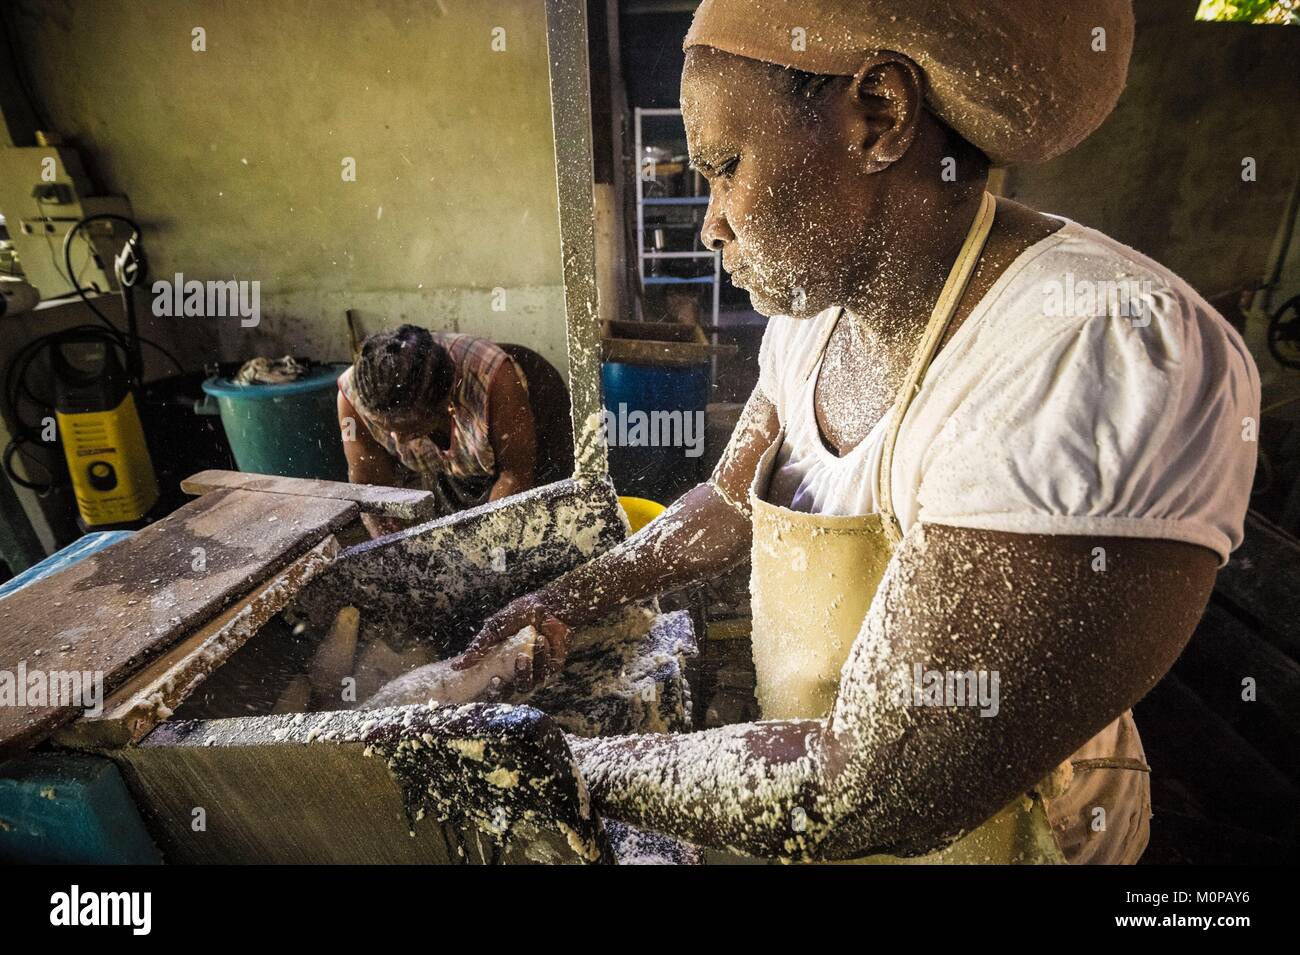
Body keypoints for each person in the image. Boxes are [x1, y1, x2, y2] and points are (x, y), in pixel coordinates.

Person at [459, 0, 1260, 863]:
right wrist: (562, 596)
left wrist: (531, 759)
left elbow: (871, 785)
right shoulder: (814, 321)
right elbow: (726, 503)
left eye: (726, 166)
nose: (710, 221)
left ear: (879, 114)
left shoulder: (1090, 350)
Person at [336, 325, 536, 535]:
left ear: (444, 405)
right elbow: (370, 488)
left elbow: (515, 475)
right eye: (385, 428)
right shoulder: (355, 396)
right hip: (453, 447)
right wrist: (392, 550)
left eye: (412, 430)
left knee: (530, 530)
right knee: (451, 528)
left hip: (533, 413)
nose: (399, 440)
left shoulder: (493, 381)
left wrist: (490, 544)